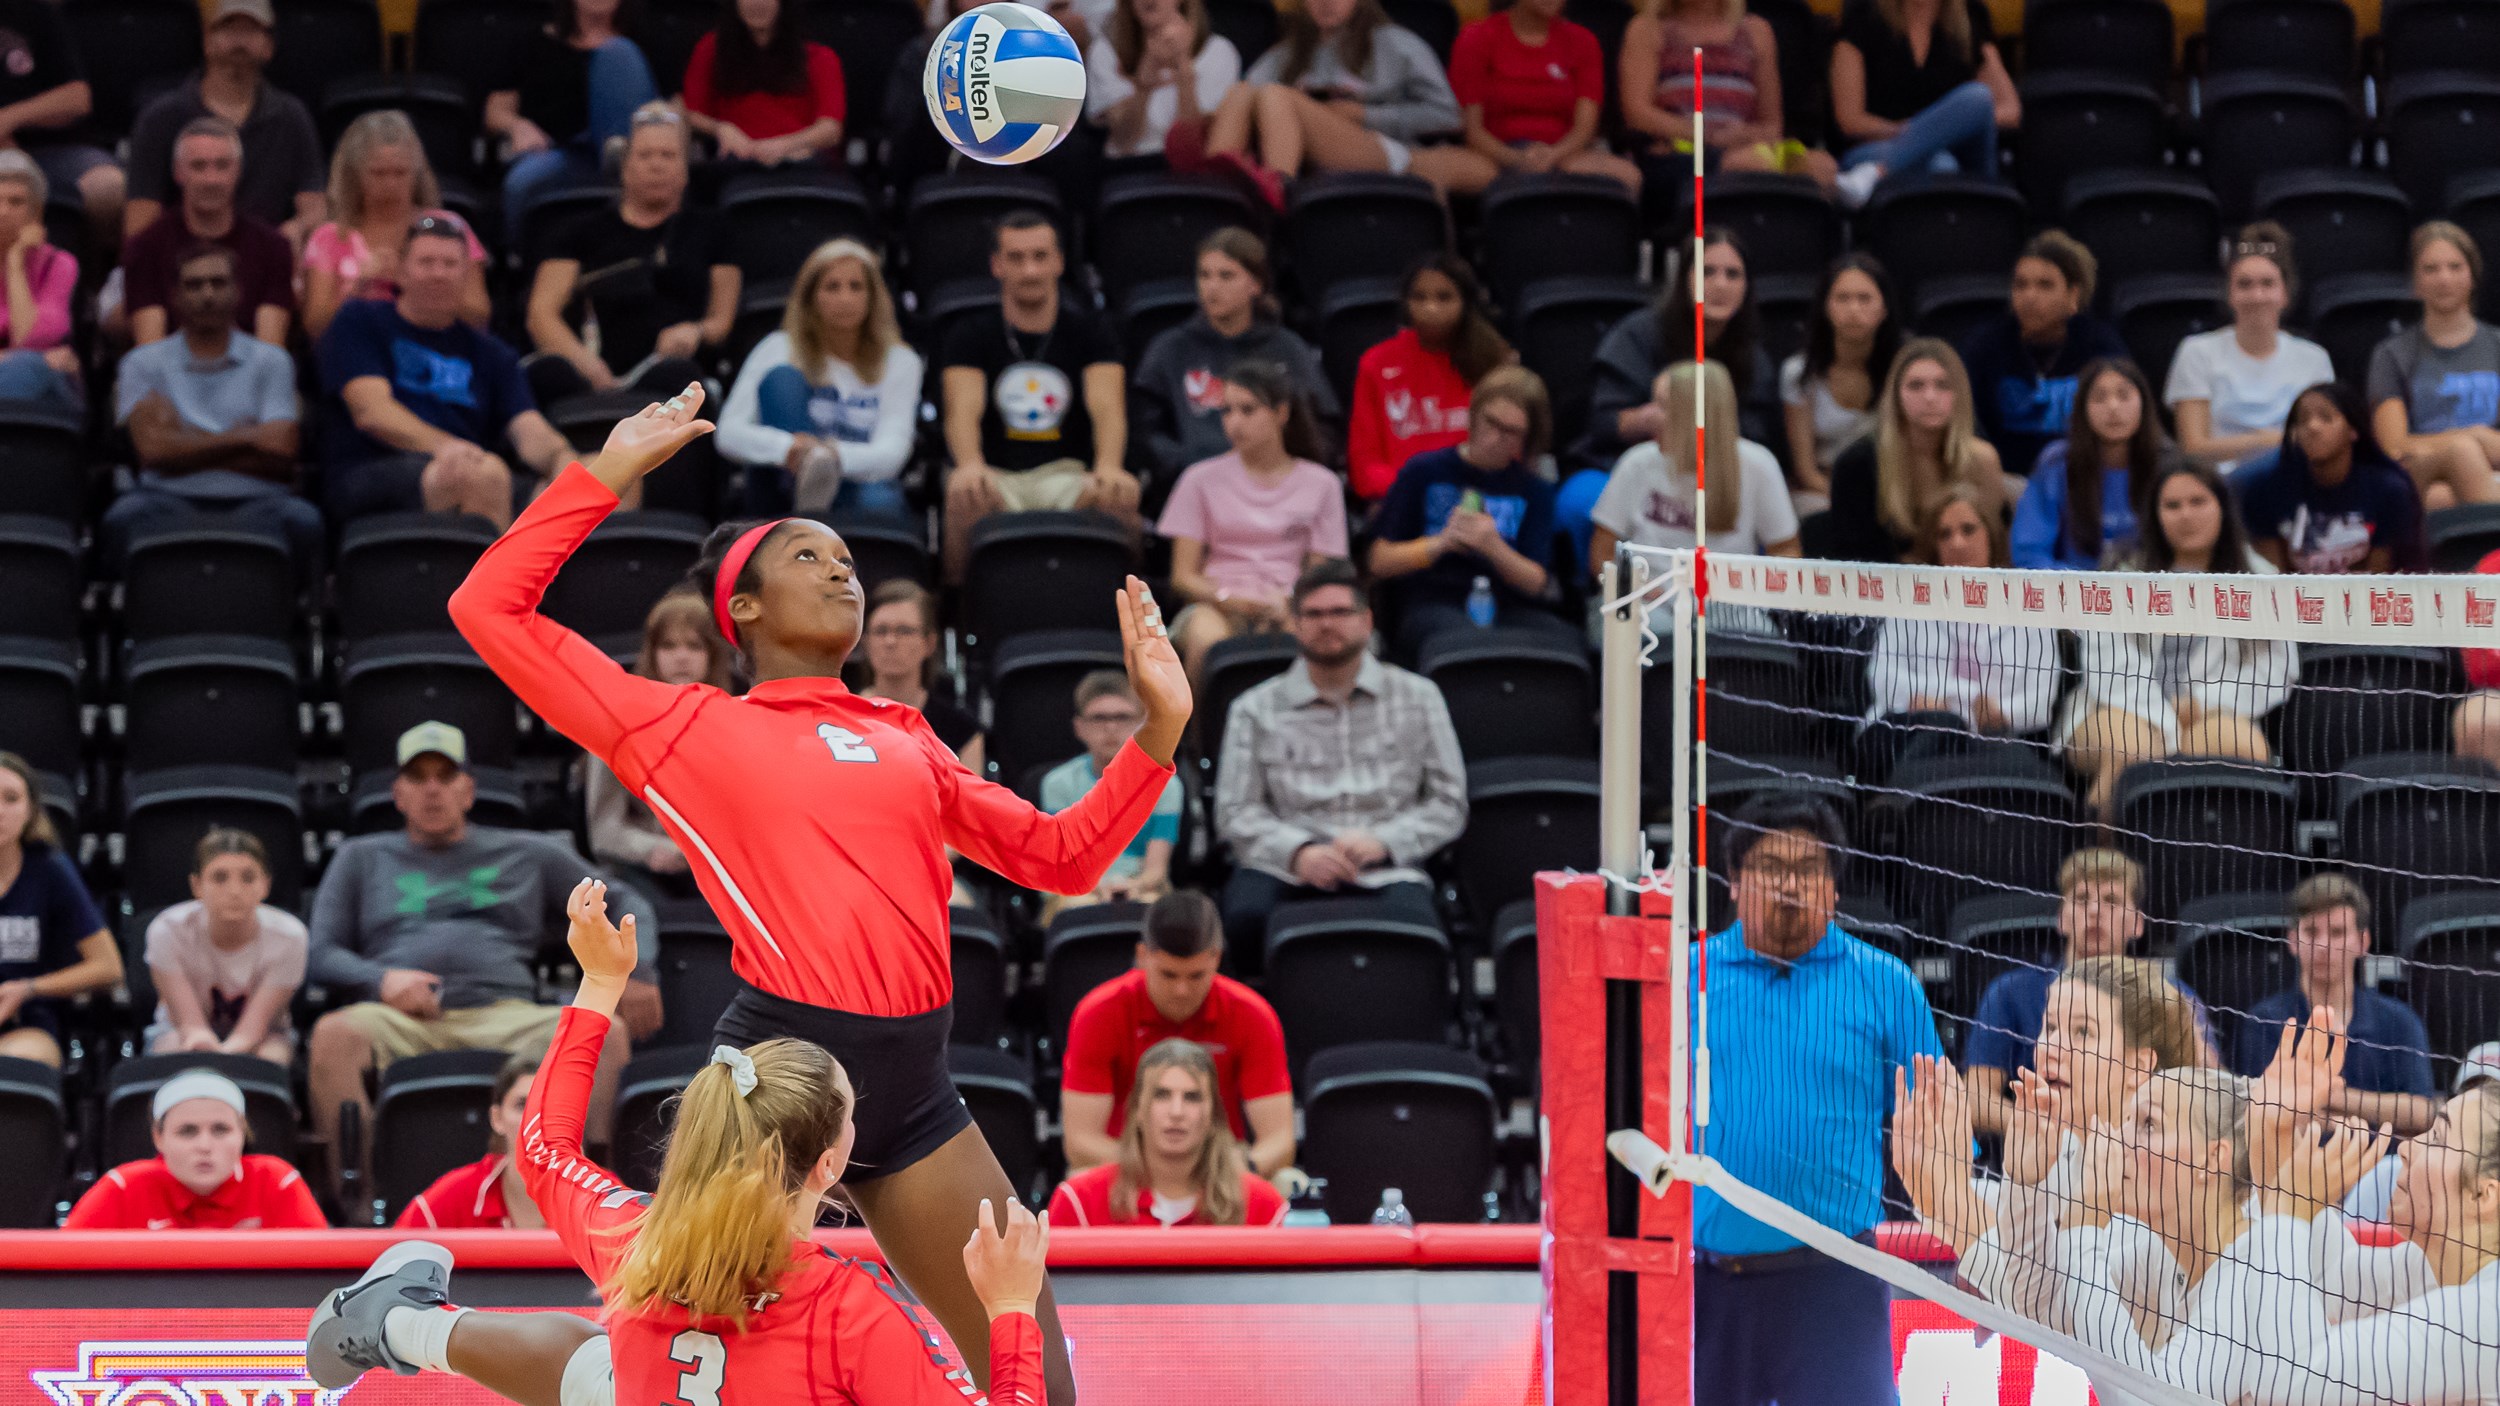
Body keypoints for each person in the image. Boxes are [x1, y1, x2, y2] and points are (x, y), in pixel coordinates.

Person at [446, 386, 1192, 1406]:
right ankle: (412, 1324)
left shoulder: (906, 731)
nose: (840, 564)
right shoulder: (682, 726)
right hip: (776, 1074)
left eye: (845, 553)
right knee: (665, 1361)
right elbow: (487, 609)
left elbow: (1062, 857)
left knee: (1042, 1389)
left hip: (916, 1081)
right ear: (740, 610)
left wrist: (1158, 730)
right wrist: (608, 468)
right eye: (806, 555)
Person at [305, 878, 1054, 1404]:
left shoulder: (637, 1237)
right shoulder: (848, 1309)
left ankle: (394, 1323)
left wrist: (599, 985)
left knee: (603, 1375)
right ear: (831, 1163)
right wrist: (1012, 1308)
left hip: (654, 1372)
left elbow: (541, 1148)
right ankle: (396, 1323)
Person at [305, 721, 659, 1199]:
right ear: (398, 793)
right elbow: (319, 953)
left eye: (445, 776)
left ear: (468, 790)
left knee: (609, 1035)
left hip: (507, 1015)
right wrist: (381, 980)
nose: (433, 789)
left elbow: (622, 899)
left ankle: (595, 1197)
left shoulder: (529, 852)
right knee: (333, 1036)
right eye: (418, 777)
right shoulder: (360, 857)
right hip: (400, 1019)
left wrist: (639, 973)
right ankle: (361, 1202)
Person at [1692, 793, 1945, 1406]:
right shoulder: (1688, 976)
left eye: (1809, 869)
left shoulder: (1886, 983)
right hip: (1709, 1287)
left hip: (1837, 1284)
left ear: (1833, 889)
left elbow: (1939, 1137)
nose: (1789, 884)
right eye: (1770, 866)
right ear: (1733, 883)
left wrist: (1975, 1253)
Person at [1215, 559, 1466, 952]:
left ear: (1367, 621)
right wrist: (1299, 853)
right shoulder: (1254, 707)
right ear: (1295, 624)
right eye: (1313, 614)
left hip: (1388, 867)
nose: (1327, 624)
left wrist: (1384, 841)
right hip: (1283, 867)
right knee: (1243, 922)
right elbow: (1234, 811)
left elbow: (1449, 802)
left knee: (1417, 936)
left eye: (1340, 612)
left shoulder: (1419, 697)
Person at [1893, 954, 2208, 1254]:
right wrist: (1934, 1185)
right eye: (2051, 1027)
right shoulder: (2063, 1152)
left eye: (2083, 1032)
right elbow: (2016, 1251)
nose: (2051, 1048)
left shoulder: (2163, 1173)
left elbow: (2041, 1299)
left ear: (2140, 1064)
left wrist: (1950, 1195)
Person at [2060, 459, 2292, 813]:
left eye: (2198, 502)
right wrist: (2166, 719)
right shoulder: (2121, 572)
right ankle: (2102, 864)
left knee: (2242, 746)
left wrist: (2200, 702)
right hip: (2116, 708)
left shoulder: (2261, 578)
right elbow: (2104, 664)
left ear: (2222, 508)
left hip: (2216, 711)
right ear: (2155, 515)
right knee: (2133, 750)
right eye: (2172, 505)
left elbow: (2276, 670)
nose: (2186, 515)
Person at [2250, 1077, 2500, 1405]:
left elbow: (2292, 1384)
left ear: (2483, 1195)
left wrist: (2290, 1215)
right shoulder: (2435, 1266)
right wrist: (2275, 1134)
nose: (2408, 1147)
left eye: (2437, 1138)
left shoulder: (2479, 1315)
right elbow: (2332, 1280)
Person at [318, 216, 572, 530]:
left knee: (599, 486)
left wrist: (562, 458)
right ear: (401, 272)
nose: (439, 273)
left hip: (472, 469)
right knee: (484, 474)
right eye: (426, 262)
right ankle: (499, 580)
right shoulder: (361, 320)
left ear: (466, 275)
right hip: (373, 469)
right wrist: (444, 446)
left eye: (450, 264)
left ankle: (544, 577)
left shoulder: (491, 352)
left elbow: (527, 428)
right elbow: (372, 413)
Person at [940, 211, 1138, 581]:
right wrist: (970, 464)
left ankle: (1118, 616)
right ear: (997, 265)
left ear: (1059, 262)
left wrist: (1109, 466)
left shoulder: (1092, 332)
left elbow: (1108, 407)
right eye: (1016, 258)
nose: (1029, 270)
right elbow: (961, 410)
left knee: (1120, 495)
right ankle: (960, 618)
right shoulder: (968, 333)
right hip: (997, 474)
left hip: (1068, 474)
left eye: (1040, 256)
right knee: (963, 493)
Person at [102, 242, 323, 574]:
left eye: (218, 283)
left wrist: (183, 443)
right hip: (164, 497)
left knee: (303, 521)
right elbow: (153, 452)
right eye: (194, 285)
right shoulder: (142, 364)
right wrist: (250, 437)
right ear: (175, 296)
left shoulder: (272, 361)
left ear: (238, 291)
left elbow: (282, 449)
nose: (207, 294)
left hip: (260, 499)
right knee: (122, 519)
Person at [1060, 891, 1294, 1176]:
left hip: (1221, 1167)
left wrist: (1240, 1168)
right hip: (1127, 1163)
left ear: (1216, 959)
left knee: (1288, 1180)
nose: (1181, 990)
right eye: (1169, 975)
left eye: (1196, 976)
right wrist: (1164, 1173)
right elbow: (1080, 1143)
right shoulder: (1099, 1013)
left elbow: (1280, 1141)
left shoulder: (1253, 1014)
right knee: (1078, 1178)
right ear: (1143, 956)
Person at [525, 106, 736, 408]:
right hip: (589, 364)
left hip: (667, 367)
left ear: (686, 169)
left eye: (668, 156)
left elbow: (721, 321)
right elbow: (541, 314)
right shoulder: (578, 231)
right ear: (624, 167)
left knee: (683, 380)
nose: (656, 165)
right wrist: (585, 363)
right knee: (546, 376)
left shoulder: (714, 230)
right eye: (645, 155)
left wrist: (695, 331)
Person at [1158, 359, 1350, 686]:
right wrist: (1229, 600)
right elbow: (1183, 576)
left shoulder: (1322, 483)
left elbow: (1320, 574)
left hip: (1290, 603)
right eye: (1227, 411)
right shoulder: (1199, 479)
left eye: (1248, 410)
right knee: (1206, 639)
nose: (1234, 423)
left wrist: (1289, 603)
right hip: (1216, 603)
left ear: (1281, 413)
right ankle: (1203, 736)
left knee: (1312, 636)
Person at [1369, 365, 1569, 657]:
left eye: (1511, 433)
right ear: (1473, 414)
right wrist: (1441, 544)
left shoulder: (1534, 490)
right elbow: (1379, 560)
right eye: (1491, 423)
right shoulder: (1424, 471)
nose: (1494, 438)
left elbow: (1538, 582)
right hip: (1434, 601)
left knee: (1562, 645)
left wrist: (1493, 547)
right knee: (1465, 644)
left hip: (1510, 606)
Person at [1858, 484, 2059, 774]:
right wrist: (1956, 702)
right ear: (1934, 547)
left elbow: (2042, 702)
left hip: (2002, 738)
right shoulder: (1911, 600)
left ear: (1991, 534)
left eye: (1968, 530)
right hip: (1908, 730)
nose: (1958, 543)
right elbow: (1881, 678)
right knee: (1941, 727)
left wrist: (2003, 713)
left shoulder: (2029, 606)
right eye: (1944, 534)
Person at [717, 238, 921, 519]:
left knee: (879, 502)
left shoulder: (900, 360)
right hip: (782, 483)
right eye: (832, 287)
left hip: (857, 481)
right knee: (782, 379)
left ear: (873, 298)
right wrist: (790, 450)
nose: (845, 298)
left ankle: (816, 504)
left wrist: (831, 457)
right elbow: (728, 433)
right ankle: (806, 496)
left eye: (856, 287)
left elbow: (893, 452)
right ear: (811, 297)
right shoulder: (777, 347)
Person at [2226, 874, 2438, 1136]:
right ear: (2293, 940)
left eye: (2337, 932)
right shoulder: (2265, 1021)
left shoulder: (2399, 1020)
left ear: (2363, 942)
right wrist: (2367, 1116)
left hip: (2386, 1170)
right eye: (2311, 932)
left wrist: (2327, 1095)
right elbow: (2259, 1109)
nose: (2323, 945)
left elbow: (2422, 1112)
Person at [1202, 0, 1467, 205]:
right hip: (1305, 159)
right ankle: (1219, 192)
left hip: (1378, 148)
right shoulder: (1285, 54)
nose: (1325, 2)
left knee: (1275, 95)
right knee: (1242, 90)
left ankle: (1276, 194)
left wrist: (1365, 114)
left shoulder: (1397, 44)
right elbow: (1241, 101)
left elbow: (1447, 114)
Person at [1962, 848, 2149, 1132]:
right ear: (2061, 917)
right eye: (2082, 899)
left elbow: (2209, 1093)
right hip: (2034, 1166)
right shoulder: (2010, 993)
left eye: (2112, 901)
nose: (2095, 911)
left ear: (2137, 923)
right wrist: (2046, 1131)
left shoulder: (2165, 996)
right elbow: (1974, 1099)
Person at [1132, 227, 1335, 485]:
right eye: (1204, 275)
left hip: (1276, 487)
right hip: (1194, 485)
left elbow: (1324, 428)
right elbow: (1145, 433)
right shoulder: (1169, 349)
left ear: (1255, 284)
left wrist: (1284, 467)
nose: (1212, 287)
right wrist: (1188, 465)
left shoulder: (1288, 348)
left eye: (1226, 276)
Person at [122, 0, 324, 247]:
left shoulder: (292, 116)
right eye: (229, 29)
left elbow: (315, 207)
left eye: (250, 30)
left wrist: (297, 228)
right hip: (185, 260)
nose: (239, 40)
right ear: (207, 41)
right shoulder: (160, 118)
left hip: (265, 260)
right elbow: (139, 222)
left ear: (269, 46)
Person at [1579, 228, 1779, 471]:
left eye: (1733, 274)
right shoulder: (1637, 333)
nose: (1720, 284)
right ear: (1684, 278)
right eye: (1707, 272)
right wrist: (1650, 420)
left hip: (1718, 475)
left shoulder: (1754, 355)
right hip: (1622, 465)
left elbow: (1759, 434)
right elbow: (1604, 422)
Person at [1585, 360, 1802, 581]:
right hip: (1649, 598)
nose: (1648, 416)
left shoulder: (1758, 464)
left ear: (1696, 417)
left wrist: (1753, 593)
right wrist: (1632, 586)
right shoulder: (1636, 462)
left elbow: (1786, 550)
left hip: (1727, 604)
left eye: (1662, 406)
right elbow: (1602, 553)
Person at [585, 592, 733, 901]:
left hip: (722, 871)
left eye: (694, 646)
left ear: (712, 655)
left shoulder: (737, 724)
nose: (682, 656)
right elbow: (603, 830)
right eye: (669, 646)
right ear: (651, 654)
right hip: (641, 871)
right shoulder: (617, 728)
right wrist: (654, 849)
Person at [1054, 1037, 1291, 1226]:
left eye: (1192, 1097)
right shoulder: (1078, 1203)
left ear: (1213, 1115)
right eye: (1161, 1095)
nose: (1176, 1112)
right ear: (1137, 1110)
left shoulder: (1263, 1207)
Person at [300, 112, 491, 341]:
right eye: (378, 173)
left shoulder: (447, 228)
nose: (390, 184)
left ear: (416, 173)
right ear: (355, 174)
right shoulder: (329, 237)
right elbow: (315, 326)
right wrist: (358, 286)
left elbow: (479, 314)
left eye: (400, 173)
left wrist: (417, 285)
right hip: (357, 355)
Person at [1957, 230, 2130, 480]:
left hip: (2085, 477)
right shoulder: (1985, 346)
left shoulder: (2101, 346)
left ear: (2073, 295)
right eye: (2021, 285)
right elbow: (1967, 426)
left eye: (2045, 285)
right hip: (2005, 479)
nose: (2030, 296)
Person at [2166, 221, 2334, 474]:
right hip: (2220, 485)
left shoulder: (2313, 358)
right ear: (2230, 294)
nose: (2257, 296)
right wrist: (2268, 442)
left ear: (2285, 294)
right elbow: (2193, 447)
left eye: (2267, 284)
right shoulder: (2196, 352)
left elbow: (2320, 438)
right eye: (2245, 285)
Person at [63, 1070, 325, 1230]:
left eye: (221, 1130)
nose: (204, 1146)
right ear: (158, 1138)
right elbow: (65, 1272)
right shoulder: (122, 1187)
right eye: (187, 1131)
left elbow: (319, 1280)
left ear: (242, 1134)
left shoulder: (277, 1181)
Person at [1822, 337, 2006, 563]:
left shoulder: (1982, 460)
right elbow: (1853, 562)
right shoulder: (1857, 464)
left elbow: (1994, 554)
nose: (1930, 397)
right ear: (1896, 396)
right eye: (1916, 386)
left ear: (1960, 394)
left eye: (1943, 385)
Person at [1346, 253, 1510, 502]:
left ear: (1466, 302)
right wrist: (1415, 491)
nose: (1430, 307)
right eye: (1419, 297)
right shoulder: (1376, 363)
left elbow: (1510, 448)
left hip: (1479, 499)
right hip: (1402, 499)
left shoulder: (1494, 361)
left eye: (1444, 297)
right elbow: (1364, 462)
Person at [1621, 0, 1833, 193]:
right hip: (1677, 152)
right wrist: (1704, 134)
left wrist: (1740, 136)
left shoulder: (1756, 32)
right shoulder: (1648, 30)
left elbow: (1772, 125)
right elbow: (1637, 113)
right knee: (1748, 165)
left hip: (1743, 145)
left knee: (1822, 167)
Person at [122, 116, 295, 348]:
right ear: (178, 173)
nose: (211, 179)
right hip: (171, 380)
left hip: (249, 378)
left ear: (238, 171)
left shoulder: (273, 248)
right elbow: (151, 355)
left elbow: (269, 355)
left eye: (222, 166)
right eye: (199, 166)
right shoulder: (145, 248)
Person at [1827, 0, 2019, 208]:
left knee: (1979, 97)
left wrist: (1940, 128)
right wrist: (1908, 132)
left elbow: (2011, 111)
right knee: (1942, 166)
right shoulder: (1864, 16)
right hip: (1877, 146)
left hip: (1956, 150)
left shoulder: (1971, 16)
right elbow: (1849, 119)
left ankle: (1874, 175)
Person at [1438, 0, 1641, 195]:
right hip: (1492, 154)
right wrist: (1516, 159)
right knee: (1432, 171)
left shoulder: (1583, 41)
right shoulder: (1476, 37)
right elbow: (1473, 130)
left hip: (1564, 153)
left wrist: (1552, 156)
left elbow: (1584, 128)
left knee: (1627, 175)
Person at [487, 0, 661, 227]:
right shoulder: (533, 42)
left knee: (619, 53)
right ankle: (518, 256)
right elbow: (495, 111)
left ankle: (621, 162)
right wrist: (517, 126)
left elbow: (676, 106)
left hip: (633, 150)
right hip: (560, 151)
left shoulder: (644, 41)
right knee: (522, 182)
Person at [142, 828, 306, 1066]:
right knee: (175, 1055)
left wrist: (223, 1060)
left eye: (248, 878)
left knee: (270, 1062)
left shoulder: (290, 937)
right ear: (196, 885)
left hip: (266, 1034)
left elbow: (252, 1032)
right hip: (179, 1031)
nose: (235, 891)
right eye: (220, 878)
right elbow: (191, 1027)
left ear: (265, 885)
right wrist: (209, 1050)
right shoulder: (166, 931)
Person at [2369, 220, 2500, 510]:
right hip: (2424, 474)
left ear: (2473, 275)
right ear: (2415, 282)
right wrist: (2472, 438)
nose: (2444, 279)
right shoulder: (2392, 354)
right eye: (2431, 269)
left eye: (2455, 267)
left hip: (2490, 473)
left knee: (2444, 498)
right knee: (2458, 458)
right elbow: (2395, 448)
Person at [0, 754, 120, 1068]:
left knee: (19, 1066)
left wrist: (27, 989)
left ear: (30, 811)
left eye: (11, 799)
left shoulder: (49, 870)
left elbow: (108, 967)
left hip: (27, 1023)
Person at [2241, 381, 2429, 575]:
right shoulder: (2266, 490)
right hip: (2293, 600)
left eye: (2326, 418)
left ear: (2353, 430)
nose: (2313, 427)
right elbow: (2271, 577)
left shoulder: (2388, 490)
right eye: (2303, 420)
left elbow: (2381, 577)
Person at [1038, 672, 1185, 918]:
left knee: (1151, 908)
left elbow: (1156, 870)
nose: (1110, 727)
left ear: (1141, 724)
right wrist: (1099, 888)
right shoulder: (1057, 783)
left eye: (1122, 717)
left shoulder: (1166, 784)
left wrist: (1130, 887)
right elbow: (1061, 863)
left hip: (1140, 885)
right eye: (1099, 718)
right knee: (1075, 908)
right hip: (1076, 888)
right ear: (1079, 727)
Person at [2009, 357, 2175, 570]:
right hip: (2075, 594)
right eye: (2099, 398)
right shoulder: (2056, 463)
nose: (2113, 407)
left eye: (2124, 396)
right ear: (2081, 407)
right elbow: (2029, 553)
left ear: (2144, 402)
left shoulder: (2169, 463)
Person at [1781, 253, 1899, 514]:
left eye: (1864, 299)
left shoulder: (1902, 370)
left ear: (1884, 308)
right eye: (1842, 298)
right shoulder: (1798, 373)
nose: (1853, 309)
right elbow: (1805, 469)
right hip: (1823, 488)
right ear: (1825, 306)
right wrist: (1850, 501)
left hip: (1891, 485)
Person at [0, 0, 123, 245]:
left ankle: (98, 279)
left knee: (109, 187)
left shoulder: (35, 11)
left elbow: (77, 98)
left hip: (54, 154)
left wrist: (9, 118)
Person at [679, 0, 847, 171]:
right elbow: (691, 112)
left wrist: (784, 146)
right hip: (736, 162)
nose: (757, 3)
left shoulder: (821, 57)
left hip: (801, 163)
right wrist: (721, 128)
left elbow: (830, 129)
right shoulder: (710, 49)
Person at [395, 1048, 549, 1230]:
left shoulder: (591, 1199)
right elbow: (394, 1254)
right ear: (497, 1118)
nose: (535, 1118)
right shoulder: (453, 1195)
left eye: (551, 1103)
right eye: (522, 1105)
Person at [852, 580, 986, 777]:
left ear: (929, 643)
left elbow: (969, 803)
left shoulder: (962, 731)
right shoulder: (839, 716)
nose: (890, 641)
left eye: (904, 631)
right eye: (881, 631)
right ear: (865, 641)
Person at [1084, 0, 1240, 162]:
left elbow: (1198, 142)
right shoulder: (1105, 52)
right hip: (1130, 167)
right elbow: (1123, 140)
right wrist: (1143, 88)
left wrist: (1183, 71)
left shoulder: (1219, 51)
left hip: (1191, 169)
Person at [0, 149, 77, 407]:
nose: (2, 212)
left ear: (37, 212)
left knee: (31, 368)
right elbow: (35, 352)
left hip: (42, 388)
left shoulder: (59, 264)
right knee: (32, 365)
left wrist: (14, 263)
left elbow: (31, 338)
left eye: (16, 202)